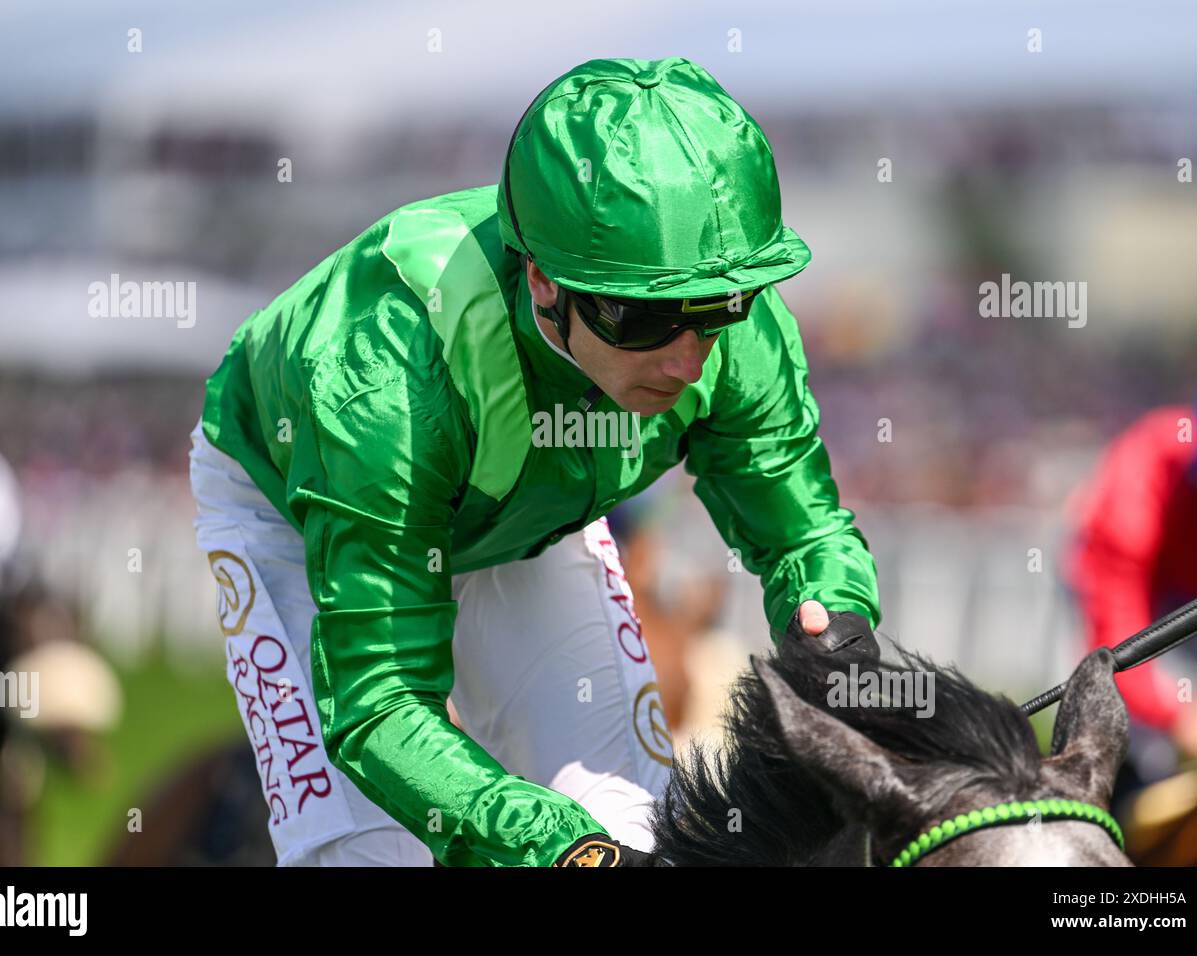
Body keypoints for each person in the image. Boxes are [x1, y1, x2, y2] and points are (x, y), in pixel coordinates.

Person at [189, 56, 881, 868]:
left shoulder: (737, 335)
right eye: (644, 319)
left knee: (639, 830)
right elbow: (378, 706)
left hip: (527, 515)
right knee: (374, 852)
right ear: (544, 282)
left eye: (720, 309)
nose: (688, 359)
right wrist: (554, 848)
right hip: (301, 502)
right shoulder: (383, 385)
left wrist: (837, 628)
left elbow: (805, 538)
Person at [1065, 359, 1197, 808]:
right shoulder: (1140, 482)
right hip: (1153, 607)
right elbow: (1115, 649)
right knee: (1127, 743)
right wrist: (1186, 718)